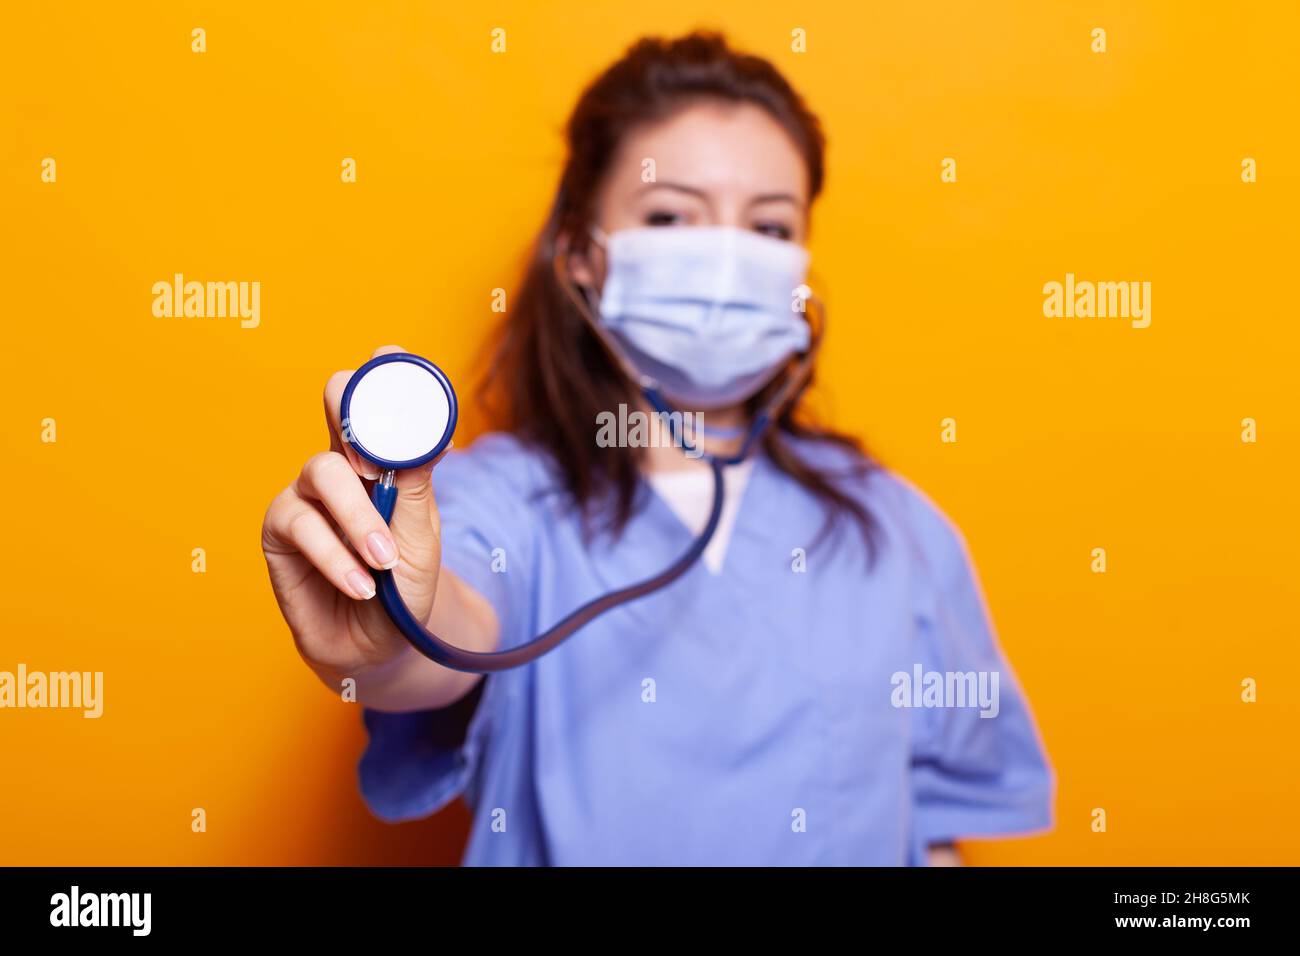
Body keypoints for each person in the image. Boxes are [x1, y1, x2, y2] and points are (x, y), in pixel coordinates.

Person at [261, 31, 1053, 866]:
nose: (724, 258)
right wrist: (390, 629)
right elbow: (445, 632)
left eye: (770, 226)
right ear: (579, 258)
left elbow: (932, 834)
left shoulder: (895, 525)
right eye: (671, 215)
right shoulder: (502, 499)